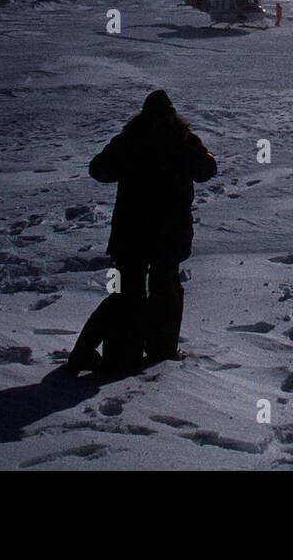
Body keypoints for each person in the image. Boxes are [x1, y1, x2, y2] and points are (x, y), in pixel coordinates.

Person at [67, 90, 217, 375]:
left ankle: (121, 354)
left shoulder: (130, 140)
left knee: (128, 293)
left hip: (131, 232)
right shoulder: (183, 141)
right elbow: (208, 168)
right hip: (169, 233)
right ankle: (160, 349)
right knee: (164, 288)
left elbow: (99, 169)